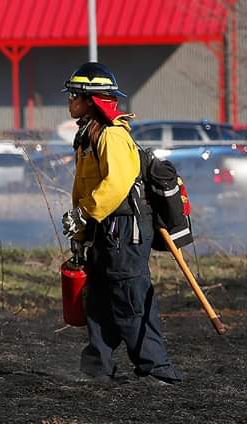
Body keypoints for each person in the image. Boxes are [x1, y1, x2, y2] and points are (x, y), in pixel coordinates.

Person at [60, 62, 181, 385]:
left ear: (90, 100)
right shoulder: (88, 136)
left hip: (125, 229)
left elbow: (116, 183)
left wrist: (85, 214)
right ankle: (97, 368)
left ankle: (156, 369)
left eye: (74, 95)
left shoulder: (112, 135)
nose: (69, 101)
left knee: (130, 298)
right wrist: (81, 234)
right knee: (99, 299)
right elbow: (84, 188)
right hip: (105, 227)